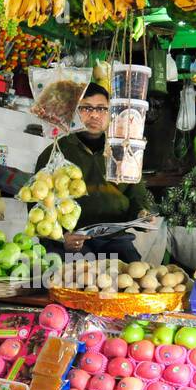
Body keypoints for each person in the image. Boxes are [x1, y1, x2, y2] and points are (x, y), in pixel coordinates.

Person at [34, 81, 155, 262]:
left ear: (110, 113)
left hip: (114, 239)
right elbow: (38, 209)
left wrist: (142, 216)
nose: (95, 115)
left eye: (101, 109)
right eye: (86, 108)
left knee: (132, 274)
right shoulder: (55, 154)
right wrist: (61, 237)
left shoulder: (124, 152)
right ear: (75, 111)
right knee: (79, 279)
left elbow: (137, 197)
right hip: (72, 240)